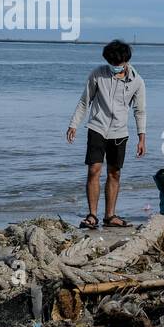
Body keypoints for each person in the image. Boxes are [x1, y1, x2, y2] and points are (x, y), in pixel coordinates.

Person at [66, 39, 146, 229]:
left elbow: (140, 111)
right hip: (97, 127)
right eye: (111, 63)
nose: (114, 67)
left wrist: (142, 137)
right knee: (93, 169)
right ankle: (92, 215)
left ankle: (110, 216)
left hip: (120, 131)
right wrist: (73, 125)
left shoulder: (137, 81)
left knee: (114, 173)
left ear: (126, 61)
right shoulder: (97, 74)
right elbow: (85, 101)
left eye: (118, 64)